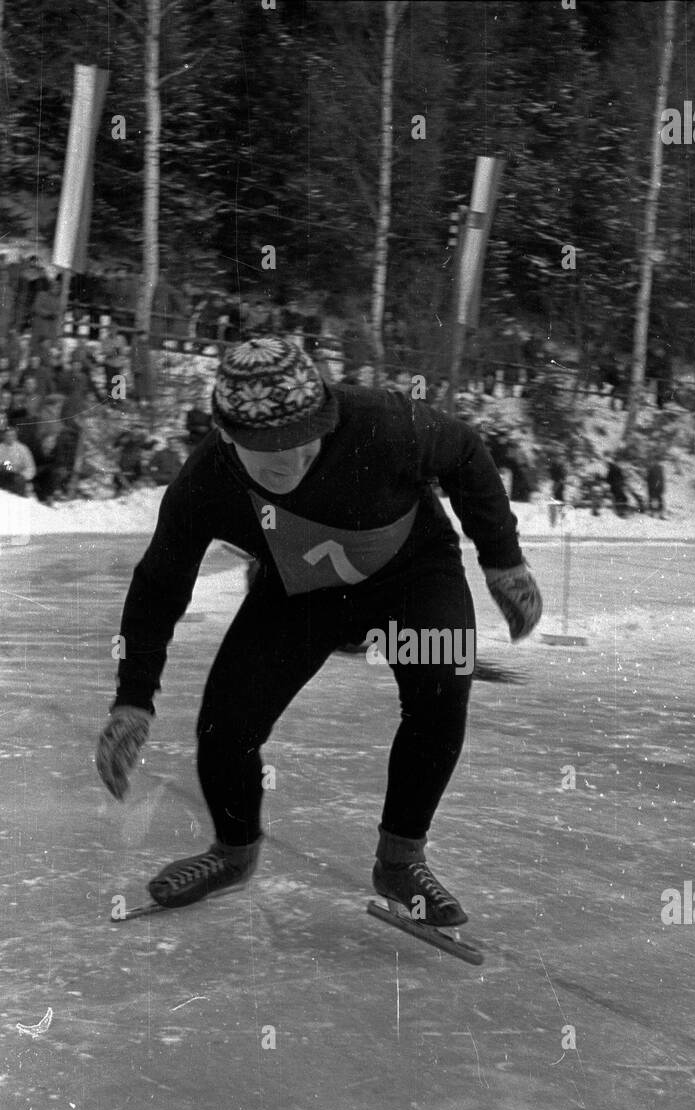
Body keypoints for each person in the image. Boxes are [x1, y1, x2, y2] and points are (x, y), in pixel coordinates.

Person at [95, 336, 543, 924]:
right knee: (226, 726)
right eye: (275, 456)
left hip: (414, 576)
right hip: (300, 595)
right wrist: (133, 698)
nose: (297, 464)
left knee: (441, 686)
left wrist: (502, 559)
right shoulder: (206, 481)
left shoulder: (382, 423)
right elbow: (160, 584)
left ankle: (401, 860)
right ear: (229, 439)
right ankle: (233, 853)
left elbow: (464, 453)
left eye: (309, 447)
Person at [0, 423, 36, 496]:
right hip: (4, 475)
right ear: (3, 436)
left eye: (12, 435)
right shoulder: (0, 448)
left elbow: (30, 467)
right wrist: (8, 467)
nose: (10, 437)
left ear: (16, 436)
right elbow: (4, 463)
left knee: (18, 480)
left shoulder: (23, 449)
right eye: (7, 435)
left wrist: (21, 474)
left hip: (19, 477)